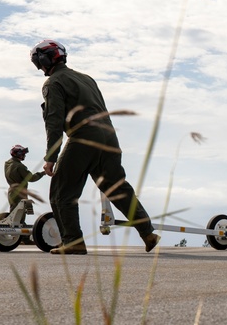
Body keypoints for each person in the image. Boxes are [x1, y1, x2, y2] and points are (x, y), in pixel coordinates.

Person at [32, 39, 159, 255]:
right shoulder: (86, 78)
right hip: (109, 136)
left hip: (83, 137)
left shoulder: (53, 83)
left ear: (44, 61)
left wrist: (51, 156)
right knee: (117, 187)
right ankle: (147, 233)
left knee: (62, 193)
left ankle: (73, 242)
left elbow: (54, 120)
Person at [4, 144, 45, 213]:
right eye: (23, 154)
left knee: (14, 213)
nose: (24, 156)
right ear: (18, 154)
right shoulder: (19, 166)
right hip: (20, 193)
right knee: (19, 215)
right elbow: (31, 178)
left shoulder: (7, 163)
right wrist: (43, 173)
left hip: (11, 192)